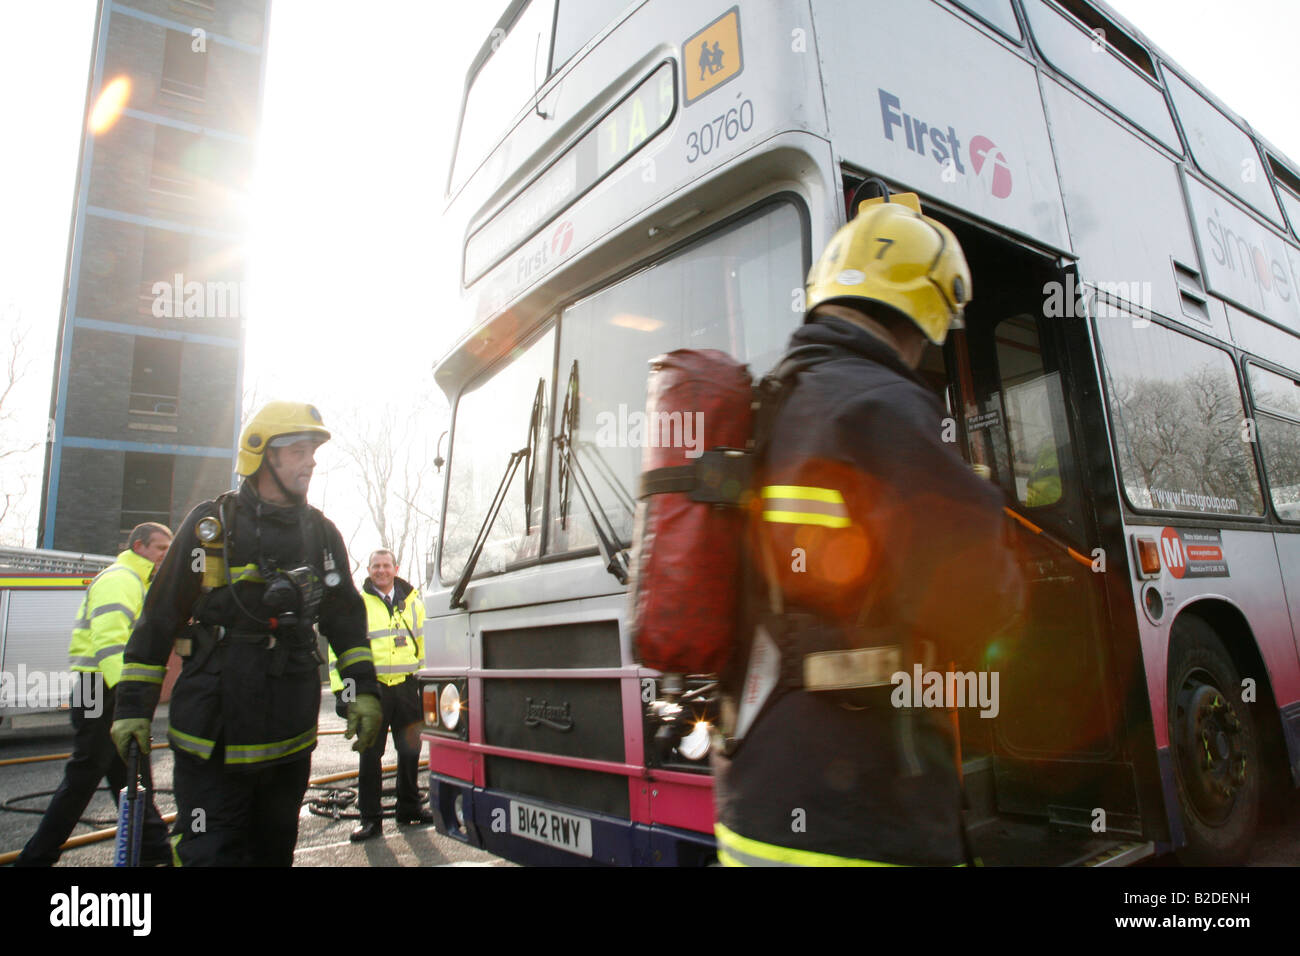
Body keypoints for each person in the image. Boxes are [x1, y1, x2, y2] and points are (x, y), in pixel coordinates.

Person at [712, 191, 1024, 866]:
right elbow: (981, 604)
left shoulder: (764, 411)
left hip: (749, 812)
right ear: (925, 316)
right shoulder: (884, 406)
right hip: (863, 818)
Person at [111, 401, 383, 866]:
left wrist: (364, 692)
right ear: (261, 456)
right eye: (298, 450)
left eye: (313, 451)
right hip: (210, 737)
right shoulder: (209, 530)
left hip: (286, 734)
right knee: (206, 853)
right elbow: (158, 619)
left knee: (274, 853)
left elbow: (345, 622)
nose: (311, 461)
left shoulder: (321, 534)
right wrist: (131, 707)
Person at [16, 523, 174, 866]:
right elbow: (111, 641)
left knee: (131, 775)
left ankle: (156, 850)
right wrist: (129, 693)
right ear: (139, 546)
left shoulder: (136, 581)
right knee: (86, 776)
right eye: (160, 548)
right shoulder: (122, 579)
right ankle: (36, 857)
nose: (166, 555)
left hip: (98, 688)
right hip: (98, 688)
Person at [331, 548, 431, 841]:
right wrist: (344, 692)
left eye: (386, 565)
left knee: (411, 750)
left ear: (395, 568)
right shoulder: (357, 605)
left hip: (406, 687)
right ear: (369, 569)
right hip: (371, 690)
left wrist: (423, 684)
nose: (382, 571)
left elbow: (425, 646)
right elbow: (338, 653)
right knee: (370, 755)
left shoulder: (414, 603)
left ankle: (409, 808)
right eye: (376, 566)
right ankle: (370, 820)